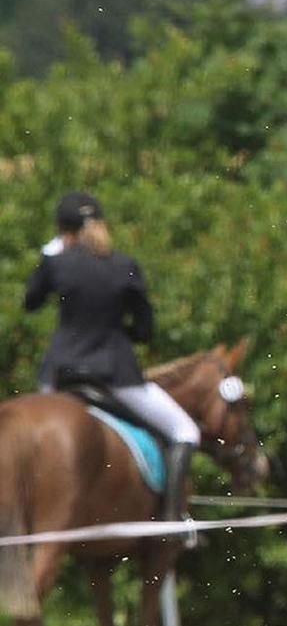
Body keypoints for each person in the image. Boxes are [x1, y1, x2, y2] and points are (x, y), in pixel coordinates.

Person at [23, 191, 200, 522]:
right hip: (114, 373)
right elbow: (145, 329)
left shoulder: (56, 263)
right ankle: (173, 521)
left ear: (62, 230)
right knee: (185, 432)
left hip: (60, 374)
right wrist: (123, 334)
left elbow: (31, 301)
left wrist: (47, 256)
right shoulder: (124, 266)